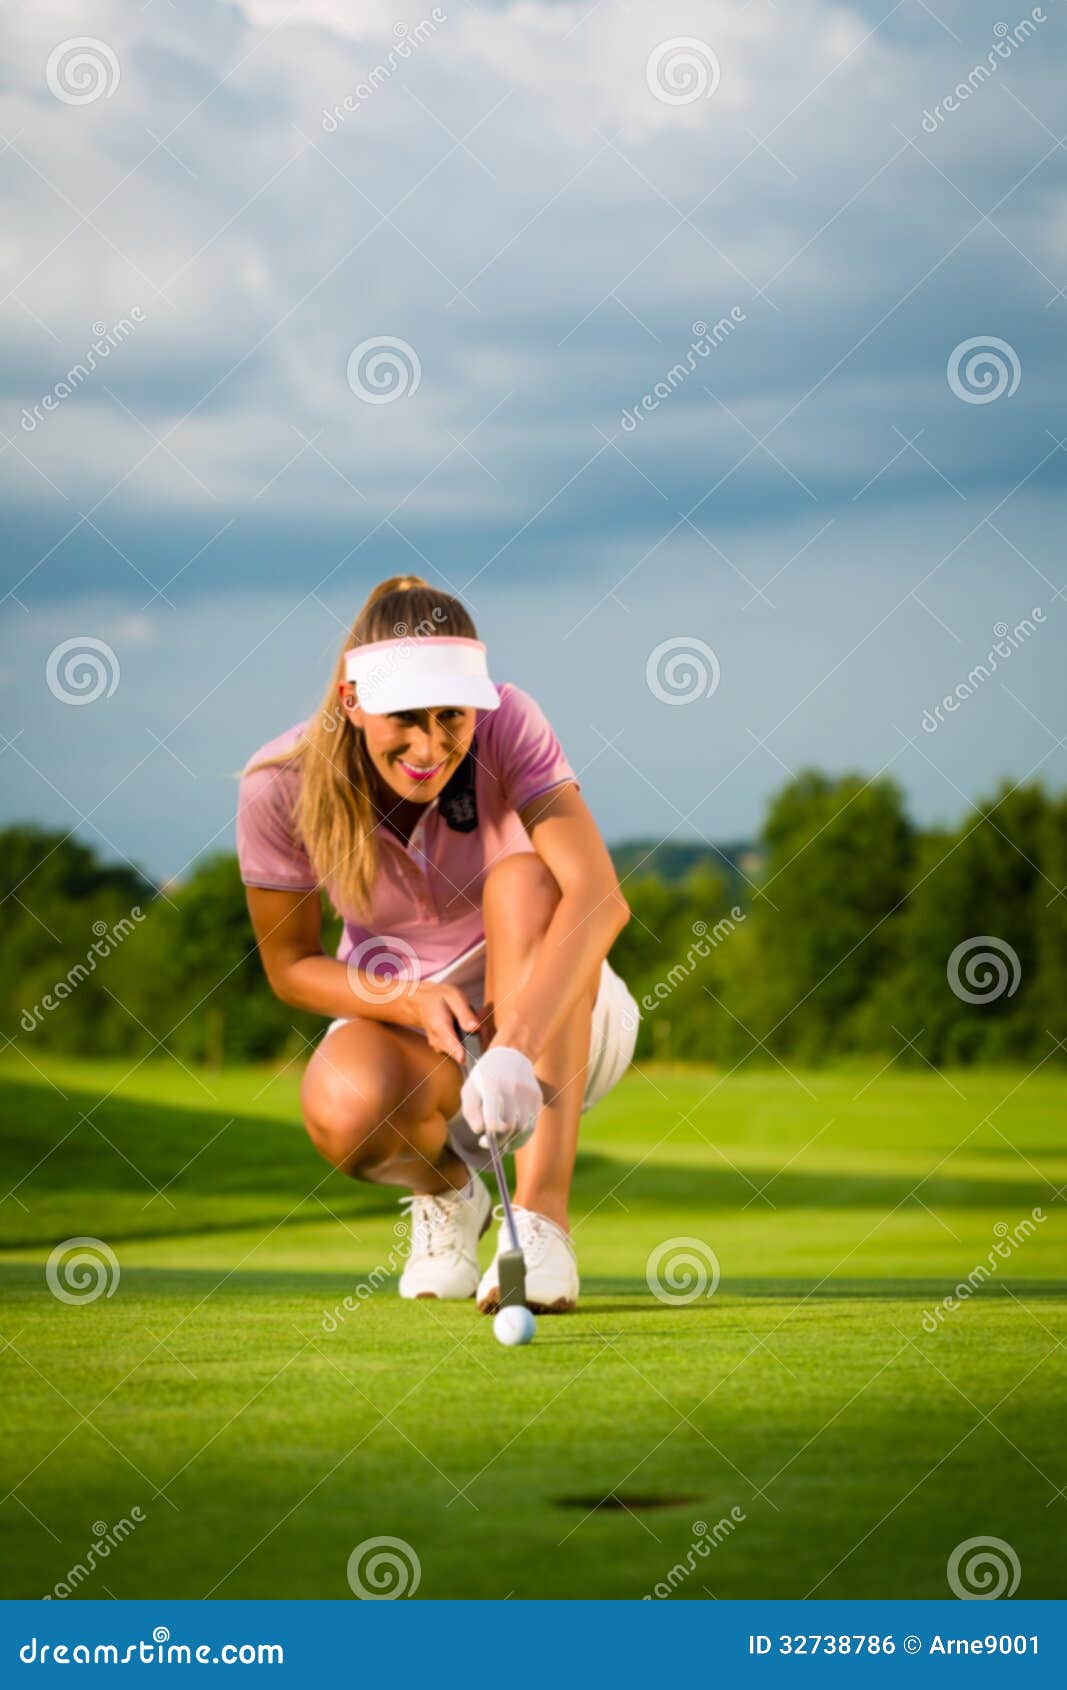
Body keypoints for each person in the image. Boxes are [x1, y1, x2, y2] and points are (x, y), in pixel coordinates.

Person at [235, 575, 638, 1312]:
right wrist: (410, 999)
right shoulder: (280, 783)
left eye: (450, 715)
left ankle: (540, 1225)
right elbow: (290, 968)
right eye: (404, 718)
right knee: (344, 1107)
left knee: (526, 879)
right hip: (417, 1029)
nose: (430, 746)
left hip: (563, 1012)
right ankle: (451, 1195)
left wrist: (515, 1046)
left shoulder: (508, 721)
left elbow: (597, 897)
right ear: (353, 702)